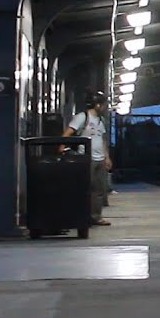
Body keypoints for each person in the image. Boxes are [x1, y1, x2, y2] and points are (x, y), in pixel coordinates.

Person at [62, 90, 112, 226]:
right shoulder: (82, 117)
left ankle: (96, 216)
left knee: (100, 189)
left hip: (100, 159)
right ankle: (84, 215)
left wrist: (107, 157)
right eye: (103, 104)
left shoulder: (101, 120)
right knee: (87, 187)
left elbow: (102, 140)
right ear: (97, 105)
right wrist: (61, 146)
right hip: (86, 158)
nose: (104, 107)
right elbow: (68, 132)